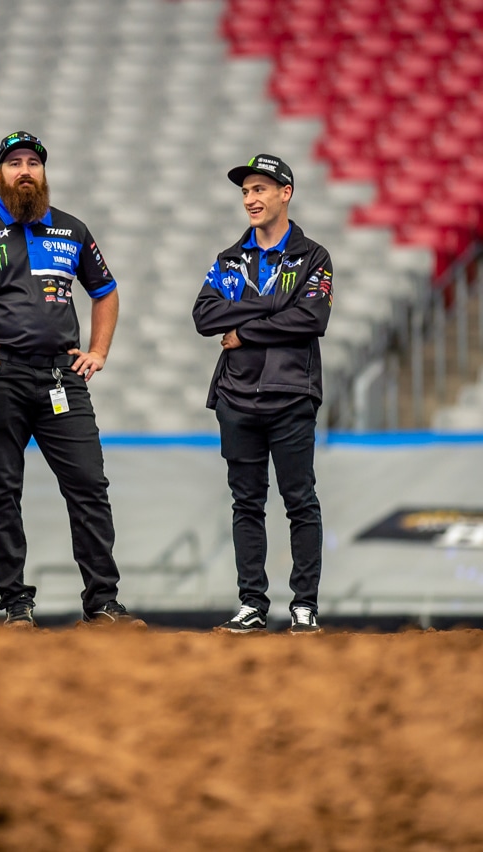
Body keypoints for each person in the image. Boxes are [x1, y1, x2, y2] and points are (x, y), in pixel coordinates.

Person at [0, 131, 142, 628]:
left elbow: (106, 292)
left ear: (44, 173)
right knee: (1, 488)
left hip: (60, 377)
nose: (24, 171)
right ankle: (15, 604)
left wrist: (98, 351)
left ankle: (103, 603)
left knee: (89, 484)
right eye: (14, 163)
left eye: (33, 163)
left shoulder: (72, 230)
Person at [193, 154, 332, 635]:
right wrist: (272, 306)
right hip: (236, 398)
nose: (250, 199)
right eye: (246, 192)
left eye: (260, 190)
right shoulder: (230, 258)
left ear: (285, 193)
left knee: (300, 501)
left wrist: (246, 329)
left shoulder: (314, 256)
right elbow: (204, 317)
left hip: (293, 396)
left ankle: (304, 606)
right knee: (246, 504)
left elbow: (312, 320)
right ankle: (252, 603)